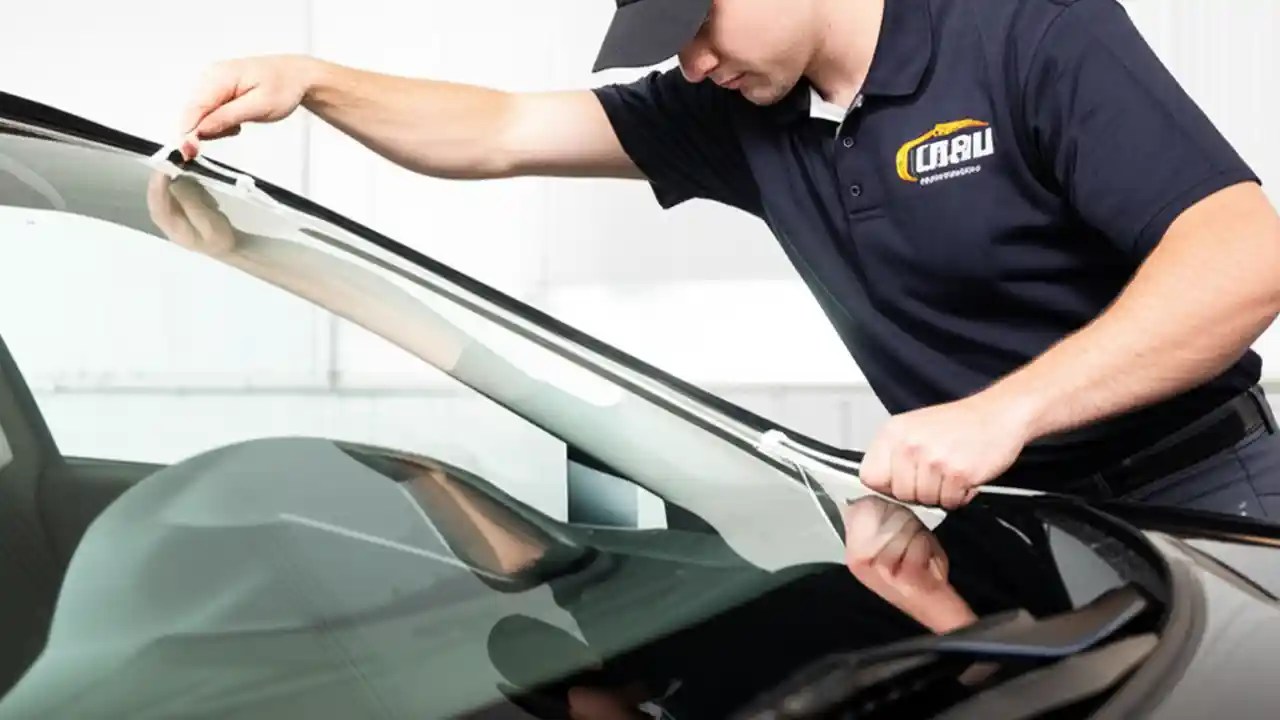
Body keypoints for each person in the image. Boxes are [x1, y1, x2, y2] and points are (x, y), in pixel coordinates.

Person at [174, 0, 1280, 520]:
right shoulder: (732, 110)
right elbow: (500, 129)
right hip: (1014, 522)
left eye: (700, 19)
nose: (692, 60)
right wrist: (313, 79)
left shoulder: (1027, 32)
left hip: (1206, 490)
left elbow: (1244, 258)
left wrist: (1003, 412)